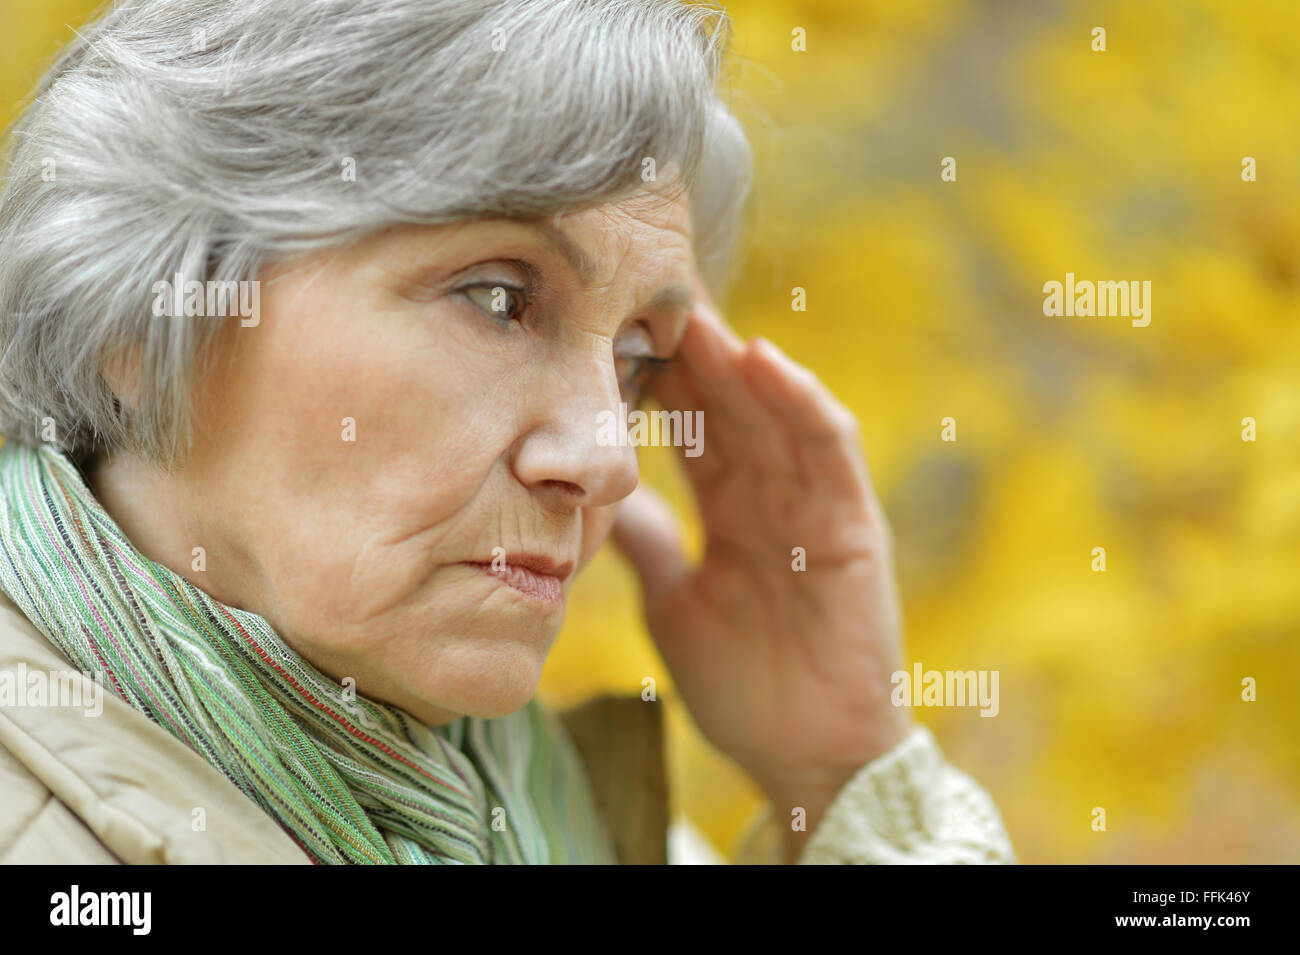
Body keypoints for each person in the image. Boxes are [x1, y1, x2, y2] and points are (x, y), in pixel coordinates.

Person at [0, 0, 1015, 864]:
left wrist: (846, 773)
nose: (611, 460)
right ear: (143, 315)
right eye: (495, 297)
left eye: (636, 361)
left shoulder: (548, 811)